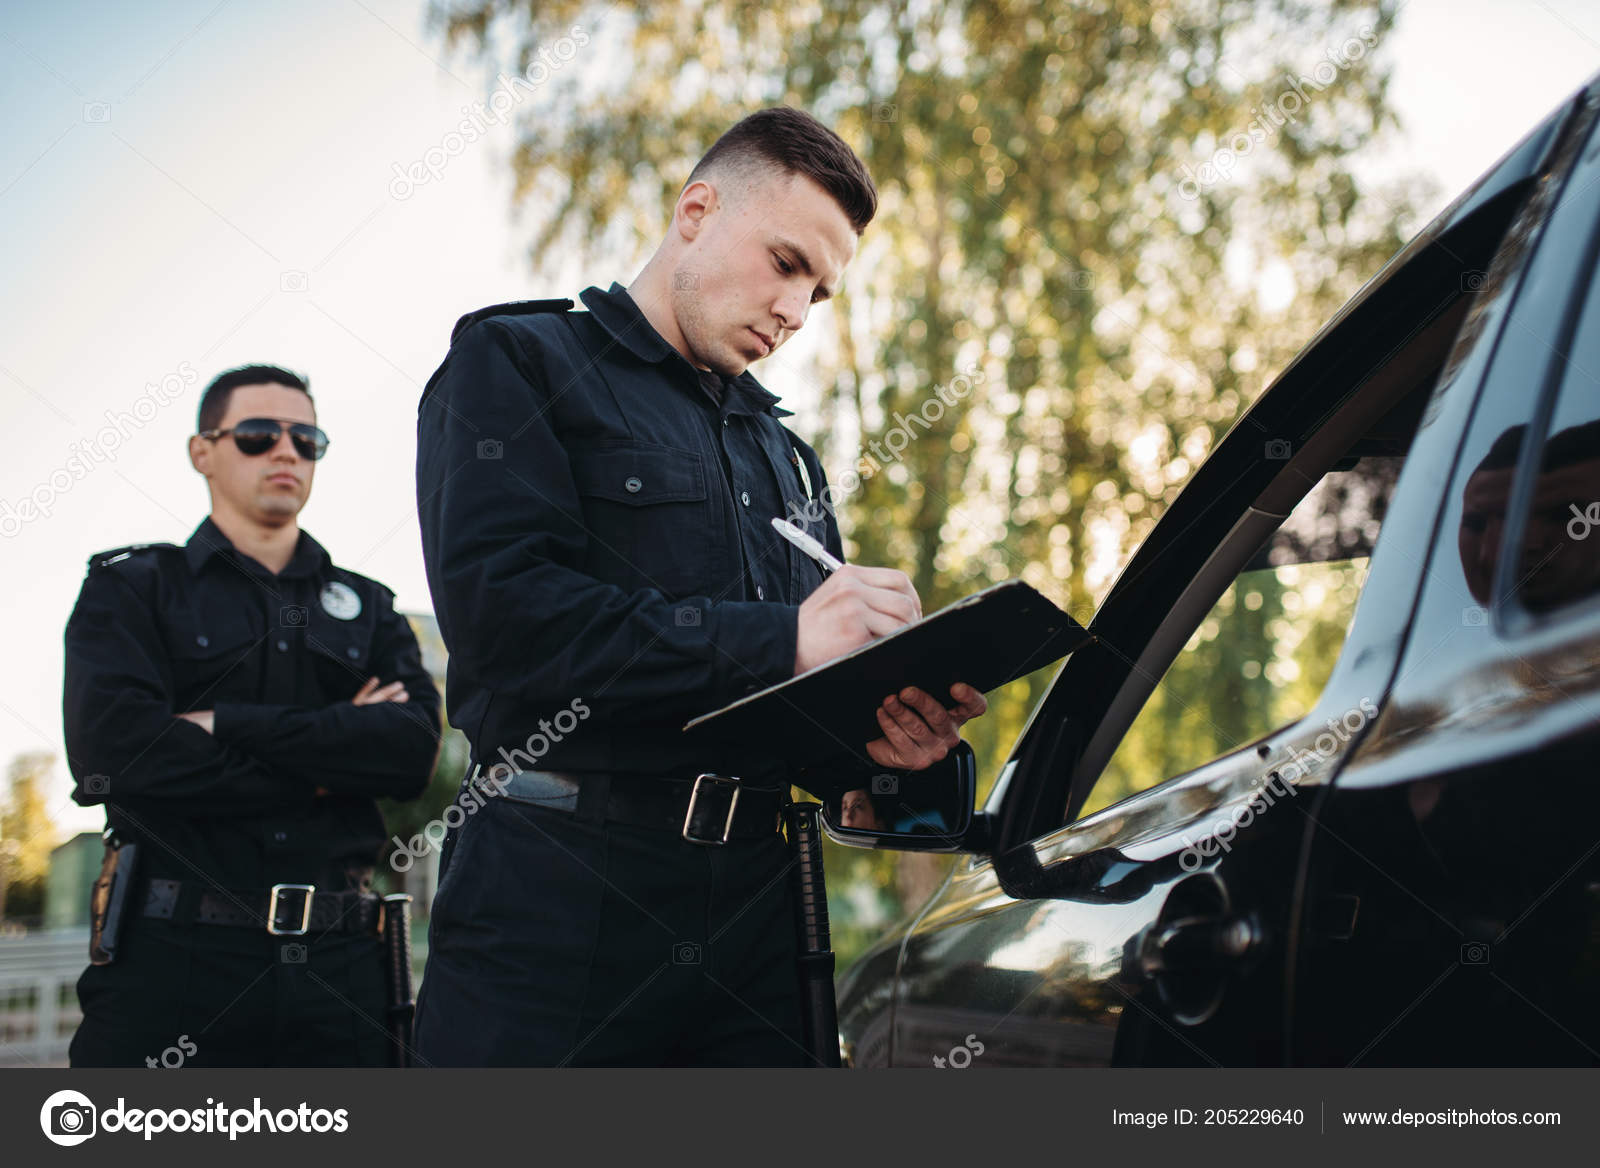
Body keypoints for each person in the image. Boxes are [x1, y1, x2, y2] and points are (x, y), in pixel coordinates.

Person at [413, 106, 988, 1067]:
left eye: (820, 292)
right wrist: (786, 640)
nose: (796, 312)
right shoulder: (519, 362)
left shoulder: (787, 458)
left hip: (762, 917)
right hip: (558, 905)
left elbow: (803, 720)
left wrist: (893, 748)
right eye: (786, 262)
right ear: (695, 210)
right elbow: (502, 619)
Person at [63, 364, 442, 1067]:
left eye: (307, 438)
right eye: (260, 434)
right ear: (202, 451)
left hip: (343, 969)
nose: (286, 451)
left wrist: (221, 723)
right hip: (171, 963)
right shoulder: (133, 589)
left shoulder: (370, 606)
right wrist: (332, 764)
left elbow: (410, 753)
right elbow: (114, 756)